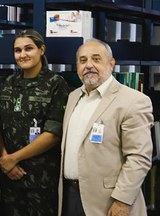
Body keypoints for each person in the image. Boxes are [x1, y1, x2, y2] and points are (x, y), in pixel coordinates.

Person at [59, 39, 153, 216]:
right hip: (69, 196)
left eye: (96, 59)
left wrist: (122, 201)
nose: (89, 65)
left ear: (111, 64)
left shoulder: (133, 101)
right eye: (83, 60)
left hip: (108, 201)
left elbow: (139, 157)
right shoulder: (73, 97)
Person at [0, 29, 69, 216]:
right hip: (10, 176)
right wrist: (5, 158)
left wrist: (13, 158)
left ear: (41, 50)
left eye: (28, 48)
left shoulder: (56, 84)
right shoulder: (8, 84)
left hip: (41, 180)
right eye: (18, 50)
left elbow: (53, 133)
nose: (23, 55)